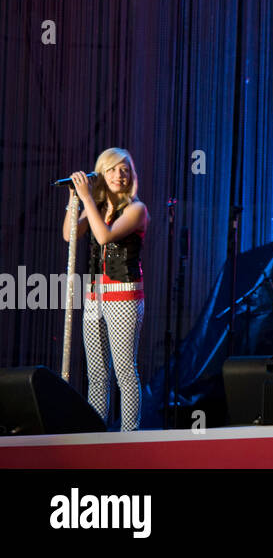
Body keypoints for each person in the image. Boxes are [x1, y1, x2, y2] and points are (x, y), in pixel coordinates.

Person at [63, 148, 149, 431]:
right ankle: (96, 434)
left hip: (123, 295)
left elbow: (104, 236)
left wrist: (87, 197)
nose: (119, 175)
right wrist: (74, 199)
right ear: (101, 173)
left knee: (124, 371)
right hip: (93, 296)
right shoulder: (96, 208)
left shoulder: (136, 209)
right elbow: (69, 234)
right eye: (112, 169)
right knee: (97, 373)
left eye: (125, 170)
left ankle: (128, 436)